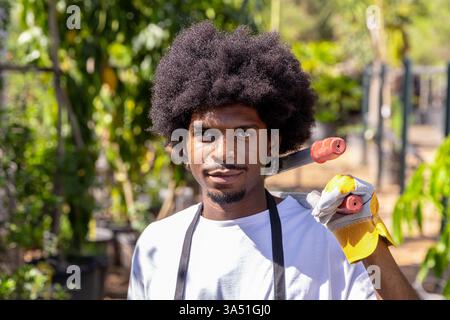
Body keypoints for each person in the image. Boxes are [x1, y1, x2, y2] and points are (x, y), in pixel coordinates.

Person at [127, 21, 419, 300]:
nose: (225, 152)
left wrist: (369, 244)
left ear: (272, 143)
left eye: (244, 134)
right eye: (206, 135)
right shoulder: (157, 245)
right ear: (181, 144)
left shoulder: (328, 237)